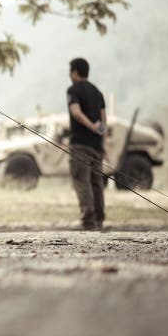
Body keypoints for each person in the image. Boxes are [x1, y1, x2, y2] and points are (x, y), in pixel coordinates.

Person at [67, 57, 107, 230]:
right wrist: (102, 143)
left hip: (80, 144)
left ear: (75, 72)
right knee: (96, 183)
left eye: (70, 72)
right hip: (97, 146)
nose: (69, 75)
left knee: (82, 182)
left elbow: (76, 112)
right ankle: (99, 220)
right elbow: (104, 121)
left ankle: (88, 222)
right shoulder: (98, 92)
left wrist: (90, 126)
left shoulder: (73, 90)